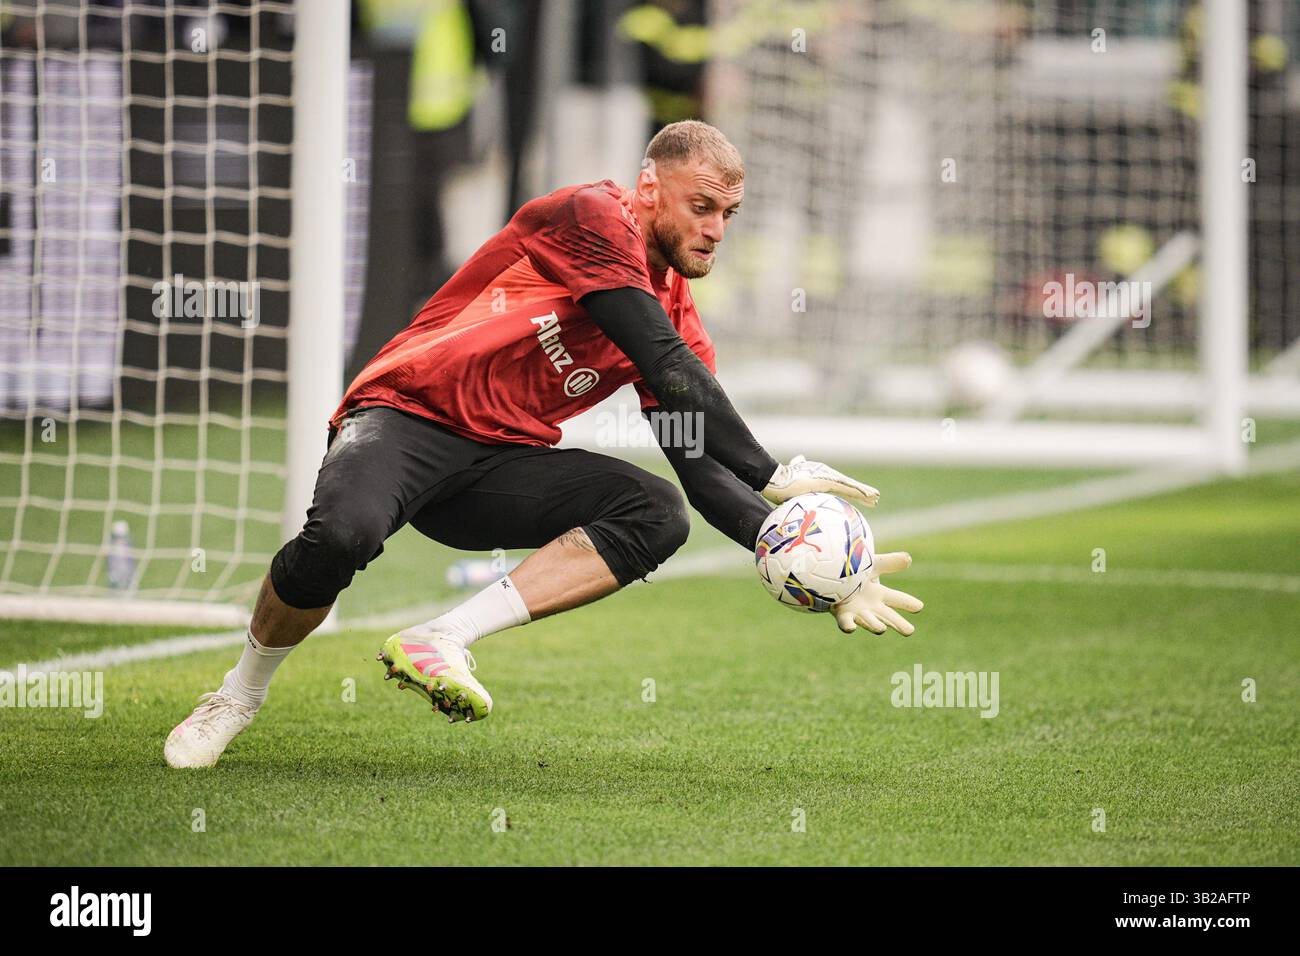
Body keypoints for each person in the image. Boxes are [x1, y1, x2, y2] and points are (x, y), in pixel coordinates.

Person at [164, 120, 923, 769]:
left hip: (495, 467)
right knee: (339, 539)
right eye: (702, 207)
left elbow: (699, 468)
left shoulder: (679, 325)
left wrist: (816, 559)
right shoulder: (592, 215)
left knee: (657, 513)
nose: (717, 230)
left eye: (730, 213)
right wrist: (776, 469)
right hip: (405, 414)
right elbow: (660, 358)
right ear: (649, 188)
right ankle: (235, 697)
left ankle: (443, 638)